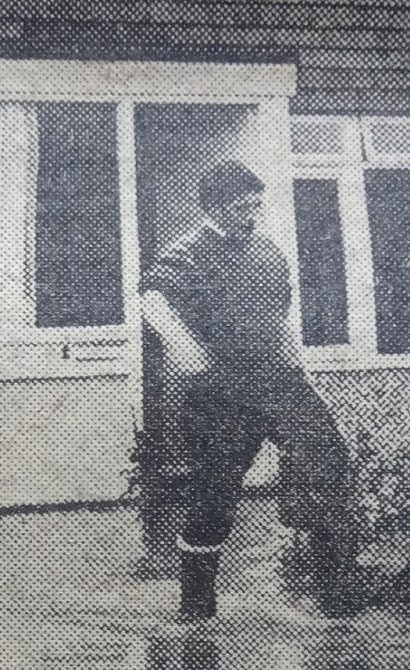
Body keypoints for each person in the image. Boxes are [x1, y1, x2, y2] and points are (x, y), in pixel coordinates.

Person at [140, 159, 360, 621]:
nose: (252, 214)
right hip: (220, 389)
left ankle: (335, 592)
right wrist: (188, 354)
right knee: (214, 496)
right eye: (243, 207)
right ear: (216, 207)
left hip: (276, 380)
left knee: (326, 456)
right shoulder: (187, 252)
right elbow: (152, 300)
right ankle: (196, 605)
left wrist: (298, 363)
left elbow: (280, 318)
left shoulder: (268, 253)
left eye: (257, 205)